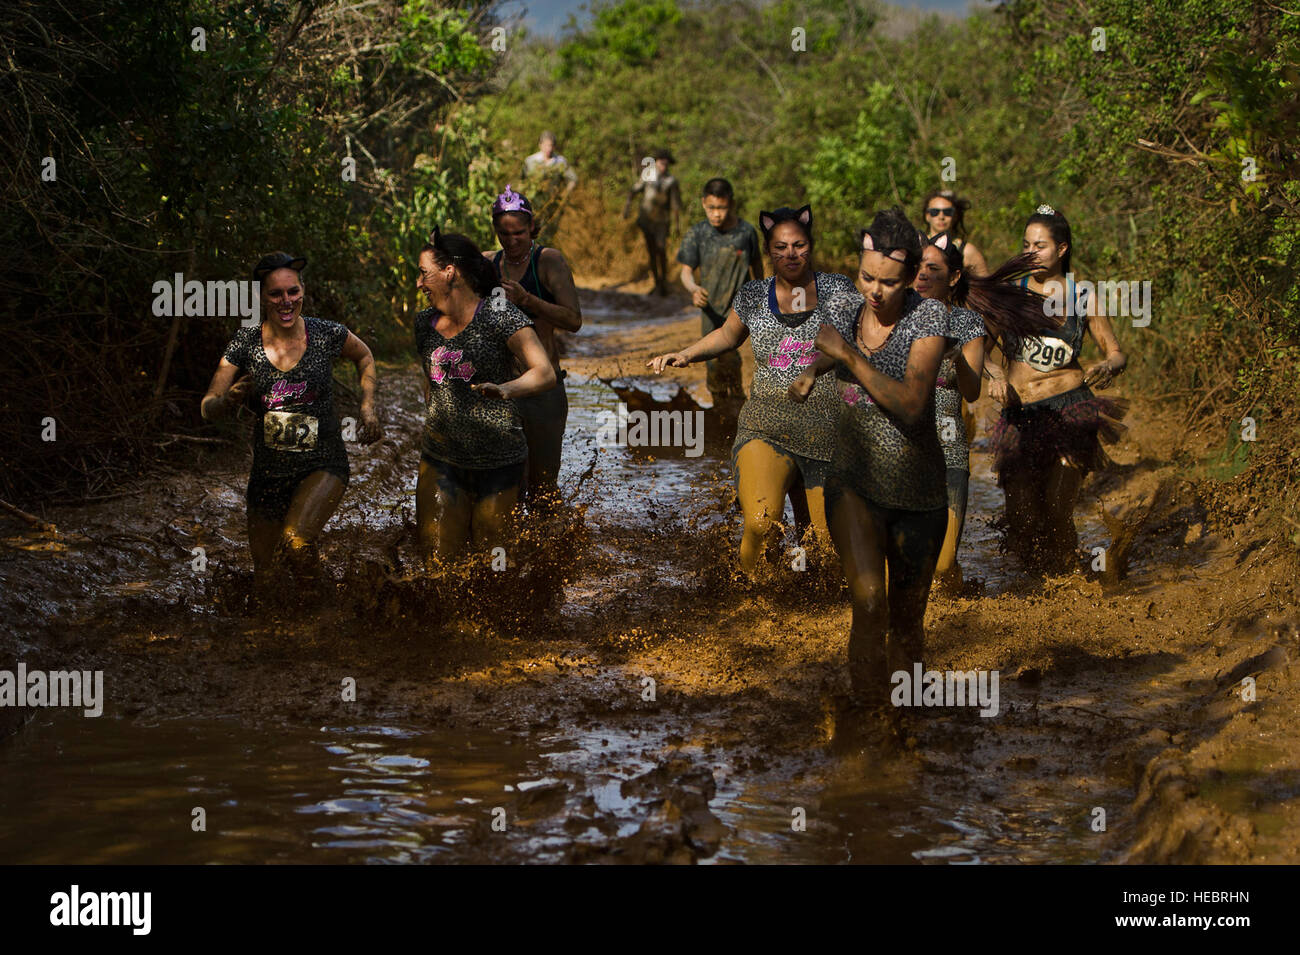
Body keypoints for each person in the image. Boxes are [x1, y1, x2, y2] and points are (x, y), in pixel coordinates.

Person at [789, 209, 949, 713]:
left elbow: (911, 404)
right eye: (867, 278)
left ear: (913, 277)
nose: (875, 292)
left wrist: (850, 357)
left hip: (919, 491)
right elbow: (828, 345)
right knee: (869, 605)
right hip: (854, 481)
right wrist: (813, 369)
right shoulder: (842, 304)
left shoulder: (930, 318)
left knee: (907, 623)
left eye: (889, 282)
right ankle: (867, 720)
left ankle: (905, 726)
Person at [649, 205, 856, 576]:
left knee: (827, 548)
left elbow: (852, 344)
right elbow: (728, 335)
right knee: (761, 524)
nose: (790, 254)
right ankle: (750, 604)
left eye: (799, 245)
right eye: (780, 247)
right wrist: (684, 354)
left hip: (830, 433)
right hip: (766, 425)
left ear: (811, 246)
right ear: (768, 251)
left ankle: (818, 607)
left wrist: (815, 370)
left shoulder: (838, 290)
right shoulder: (753, 294)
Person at [201, 252, 381, 582]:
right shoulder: (246, 342)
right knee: (268, 576)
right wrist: (227, 401)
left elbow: (365, 356)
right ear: (261, 297)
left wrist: (367, 405)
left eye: (293, 291)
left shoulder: (326, 333)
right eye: (276, 294)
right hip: (268, 474)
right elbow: (207, 405)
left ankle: (326, 617)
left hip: (323, 462)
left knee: (296, 543)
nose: (286, 301)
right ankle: (310, 611)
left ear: (303, 291)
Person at [986, 204, 1127, 572]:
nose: (1031, 253)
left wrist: (1108, 366)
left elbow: (1116, 352)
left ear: (1061, 249)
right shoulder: (1008, 296)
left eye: (1040, 246)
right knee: (1021, 513)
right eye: (1026, 245)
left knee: (1058, 505)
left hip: (1072, 409)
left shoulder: (1084, 296)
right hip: (1020, 413)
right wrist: (995, 377)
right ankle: (1035, 578)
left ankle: (1067, 578)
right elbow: (978, 354)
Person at [912, 232, 1051, 592]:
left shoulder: (967, 324)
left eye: (933, 268)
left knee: (942, 567)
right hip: (898, 452)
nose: (922, 275)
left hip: (948, 449)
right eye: (917, 267)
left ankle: (953, 592)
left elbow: (971, 392)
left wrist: (959, 360)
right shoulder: (891, 318)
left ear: (954, 277)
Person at [414, 228, 555, 560]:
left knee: (494, 563)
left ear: (449, 272)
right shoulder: (423, 323)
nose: (419, 284)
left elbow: (544, 372)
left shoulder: (499, 314)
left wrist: (505, 389)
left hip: (499, 462)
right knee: (437, 561)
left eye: (423, 274)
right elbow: (430, 382)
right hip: (441, 457)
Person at [485, 185, 582, 508]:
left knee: (543, 487)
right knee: (505, 484)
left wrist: (528, 300)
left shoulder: (548, 261)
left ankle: (550, 553)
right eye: (504, 234)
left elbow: (573, 319)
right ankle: (508, 554)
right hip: (501, 389)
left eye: (519, 233)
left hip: (543, 389)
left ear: (532, 229)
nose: (512, 241)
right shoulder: (488, 265)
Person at [677, 177, 763, 406]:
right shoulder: (698, 233)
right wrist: (693, 288)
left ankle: (736, 405)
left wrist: (762, 297)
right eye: (712, 208)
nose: (717, 214)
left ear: (731, 204)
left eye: (722, 208)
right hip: (710, 309)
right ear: (704, 203)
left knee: (732, 358)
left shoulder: (746, 232)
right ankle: (720, 408)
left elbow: (757, 267)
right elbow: (685, 272)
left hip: (739, 308)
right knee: (713, 361)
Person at [622, 148, 682, 296]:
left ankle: (663, 283)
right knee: (651, 251)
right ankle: (657, 283)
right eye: (661, 163)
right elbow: (634, 190)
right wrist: (627, 207)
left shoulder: (671, 181)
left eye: (666, 164)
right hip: (646, 219)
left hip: (662, 221)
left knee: (661, 250)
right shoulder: (648, 176)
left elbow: (675, 205)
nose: (663, 167)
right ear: (656, 163)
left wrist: (677, 224)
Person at [521, 131, 578, 244]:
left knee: (548, 232)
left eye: (551, 145)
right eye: (546, 145)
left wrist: (565, 194)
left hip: (552, 203)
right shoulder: (531, 161)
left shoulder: (560, 162)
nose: (549, 148)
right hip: (534, 202)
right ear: (540, 145)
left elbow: (572, 179)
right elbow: (522, 180)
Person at [920, 189, 988, 276]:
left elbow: (986, 286)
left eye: (948, 212)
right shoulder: (916, 246)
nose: (941, 216)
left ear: (955, 215)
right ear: (927, 216)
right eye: (935, 212)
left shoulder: (967, 251)